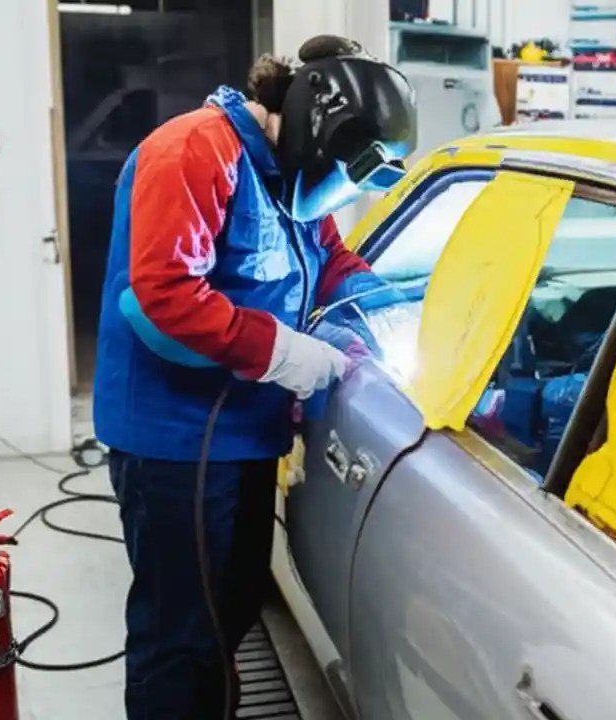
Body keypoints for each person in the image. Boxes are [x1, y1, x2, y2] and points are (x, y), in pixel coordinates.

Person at [93, 35, 415, 719]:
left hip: (246, 428)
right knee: (181, 630)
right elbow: (165, 295)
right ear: (313, 120)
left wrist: (386, 310)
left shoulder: (289, 175)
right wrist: (295, 354)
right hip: (175, 440)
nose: (333, 193)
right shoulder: (191, 150)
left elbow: (327, 254)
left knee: (233, 601)